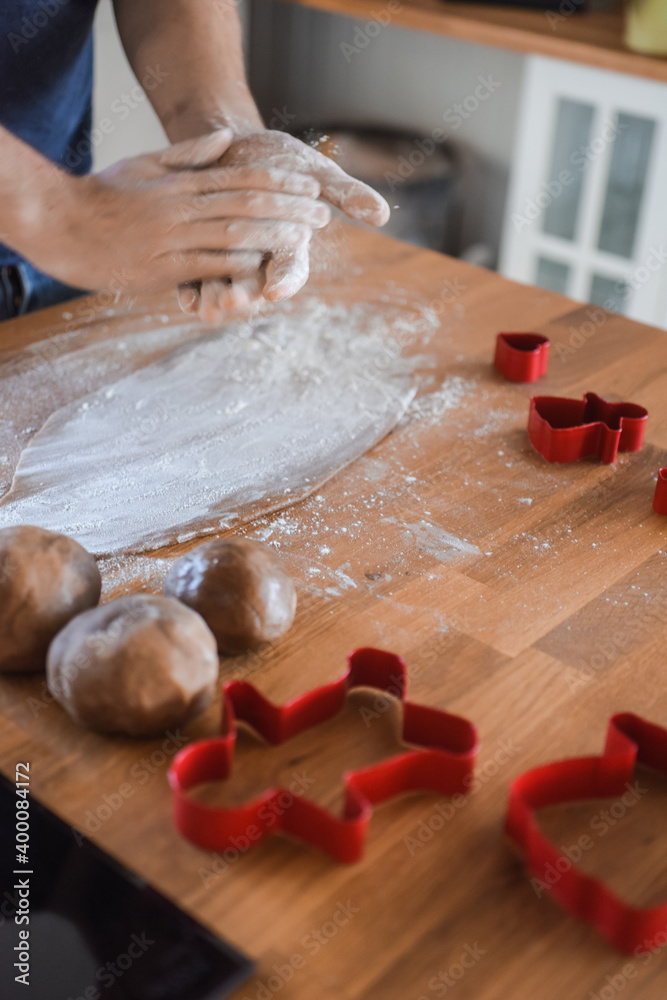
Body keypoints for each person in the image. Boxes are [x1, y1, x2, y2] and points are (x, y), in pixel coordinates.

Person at [0, 0, 390, 324]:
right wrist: (55, 216)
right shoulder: (67, 226)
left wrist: (223, 133)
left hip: (59, 268)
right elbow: (60, 221)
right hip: (68, 240)